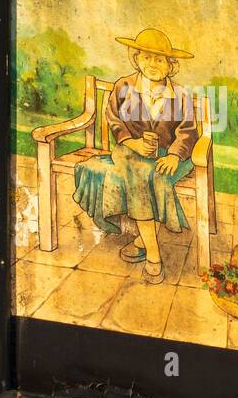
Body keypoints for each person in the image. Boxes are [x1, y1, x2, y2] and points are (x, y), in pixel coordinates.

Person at [72, 28, 198, 284]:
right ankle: (154, 254)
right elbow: (114, 119)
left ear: (171, 66)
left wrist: (174, 155)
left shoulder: (180, 94)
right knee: (139, 170)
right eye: (147, 57)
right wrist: (132, 142)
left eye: (160, 59)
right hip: (129, 150)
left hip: (168, 156)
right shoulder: (124, 86)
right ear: (137, 59)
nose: (153, 64)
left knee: (155, 176)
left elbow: (188, 131)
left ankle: (143, 239)